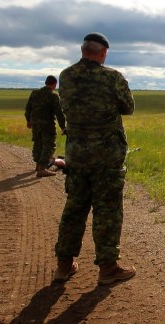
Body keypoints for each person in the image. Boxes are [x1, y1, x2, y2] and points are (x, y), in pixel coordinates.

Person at [52, 32, 137, 285]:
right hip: (106, 158)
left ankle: (63, 266)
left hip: (76, 156)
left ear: (82, 50)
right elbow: (128, 107)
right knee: (107, 212)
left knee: (75, 209)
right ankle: (108, 268)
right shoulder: (112, 77)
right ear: (103, 53)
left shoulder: (66, 76)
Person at [25, 75, 66, 177]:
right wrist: (63, 127)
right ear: (54, 84)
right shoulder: (53, 95)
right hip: (47, 125)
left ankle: (38, 165)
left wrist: (28, 120)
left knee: (38, 144)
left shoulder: (35, 93)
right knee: (49, 145)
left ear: (45, 83)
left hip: (35, 124)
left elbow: (28, 108)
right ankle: (42, 169)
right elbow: (59, 113)